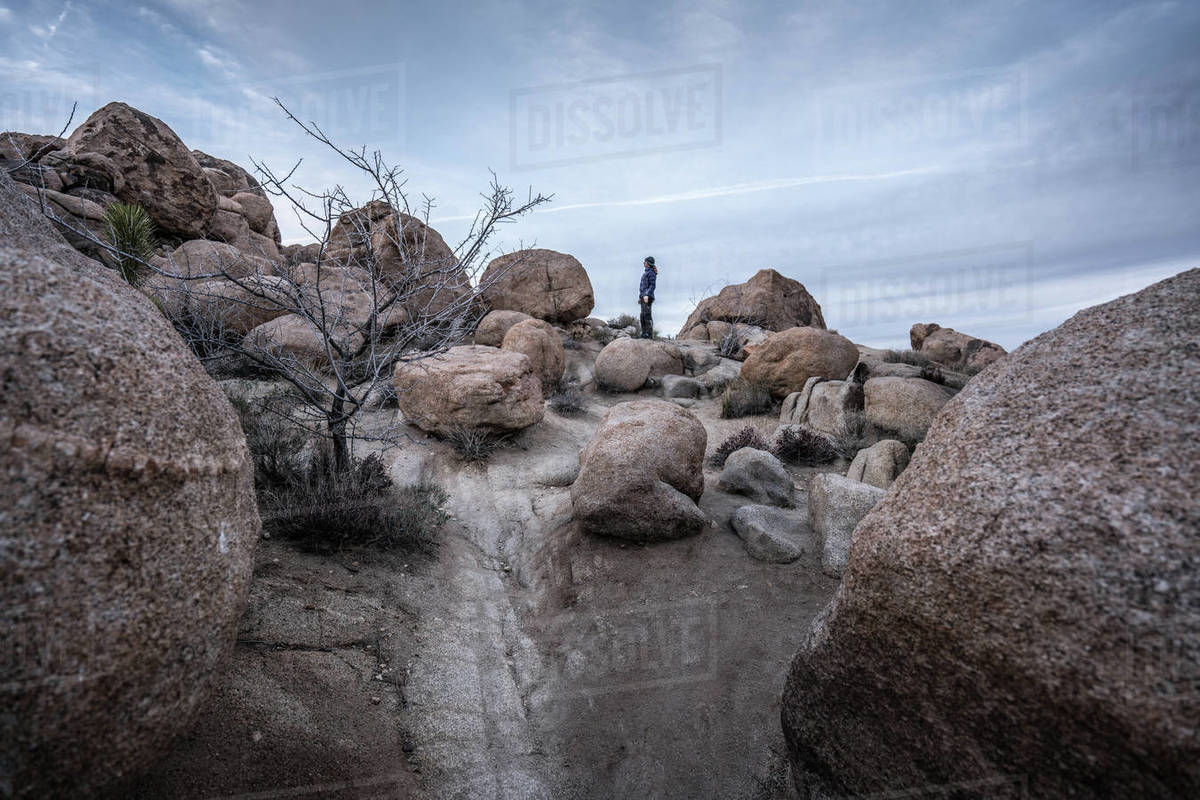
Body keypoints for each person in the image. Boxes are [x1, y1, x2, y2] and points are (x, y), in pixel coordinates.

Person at [638, 256, 657, 339]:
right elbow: (642, 287)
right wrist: (640, 297)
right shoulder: (645, 273)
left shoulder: (651, 273)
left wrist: (647, 295)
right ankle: (644, 333)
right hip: (643, 296)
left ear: (648, 263)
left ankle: (649, 334)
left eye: (644, 261)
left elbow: (652, 286)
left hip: (648, 297)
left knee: (647, 315)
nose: (643, 263)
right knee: (642, 315)